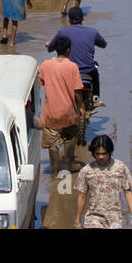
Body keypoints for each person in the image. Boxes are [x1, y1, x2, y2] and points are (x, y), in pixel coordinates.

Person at [38, 35, 84, 176]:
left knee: (52, 143)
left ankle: (55, 170)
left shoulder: (45, 65)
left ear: (55, 50)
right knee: (70, 137)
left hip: (51, 112)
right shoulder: (73, 67)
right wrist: (80, 107)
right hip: (69, 112)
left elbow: (40, 84)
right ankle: (69, 164)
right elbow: (78, 92)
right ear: (69, 50)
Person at [74, 134, 132, 229]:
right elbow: (82, 195)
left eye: (104, 154)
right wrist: (77, 221)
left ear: (110, 152)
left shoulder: (120, 168)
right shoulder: (86, 171)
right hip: (93, 218)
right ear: (93, 153)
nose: (101, 157)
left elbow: (127, 191)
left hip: (115, 219)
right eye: (98, 154)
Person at [48, 6, 107, 106]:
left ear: (69, 19)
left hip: (69, 71)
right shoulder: (93, 32)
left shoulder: (63, 32)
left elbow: (50, 48)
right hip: (88, 70)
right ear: (83, 18)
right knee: (95, 69)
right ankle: (95, 98)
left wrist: (48, 44)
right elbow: (104, 44)